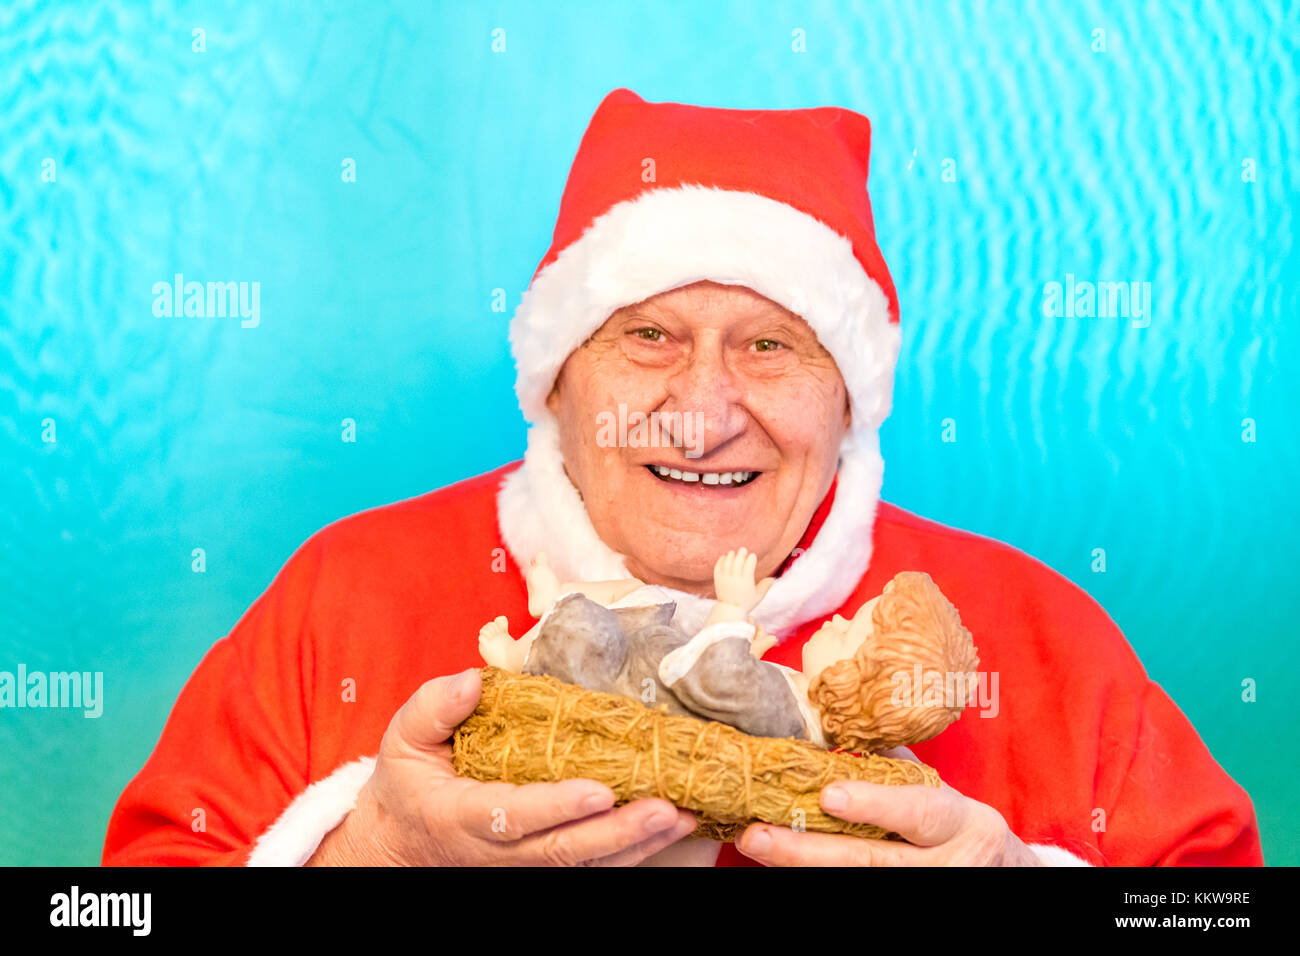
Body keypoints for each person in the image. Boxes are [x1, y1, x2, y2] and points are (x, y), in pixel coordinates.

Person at [102, 88, 1263, 867]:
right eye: (648, 336)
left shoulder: (1031, 632)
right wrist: (368, 854)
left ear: (850, 401)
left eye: (771, 345)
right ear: (555, 380)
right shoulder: (343, 593)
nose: (704, 415)